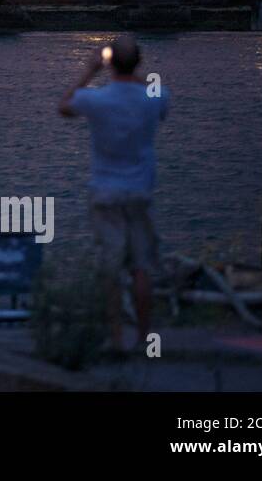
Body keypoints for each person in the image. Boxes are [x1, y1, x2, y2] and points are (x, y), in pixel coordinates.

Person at [58, 35, 169, 352]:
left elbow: (64, 106)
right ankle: (147, 339)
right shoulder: (153, 98)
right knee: (140, 268)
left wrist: (90, 70)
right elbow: (159, 95)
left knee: (110, 269)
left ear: (110, 64)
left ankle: (117, 338)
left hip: (106, 192)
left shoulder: (98, 99)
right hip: (139, 192)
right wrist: (137, 71)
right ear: (138, 63)